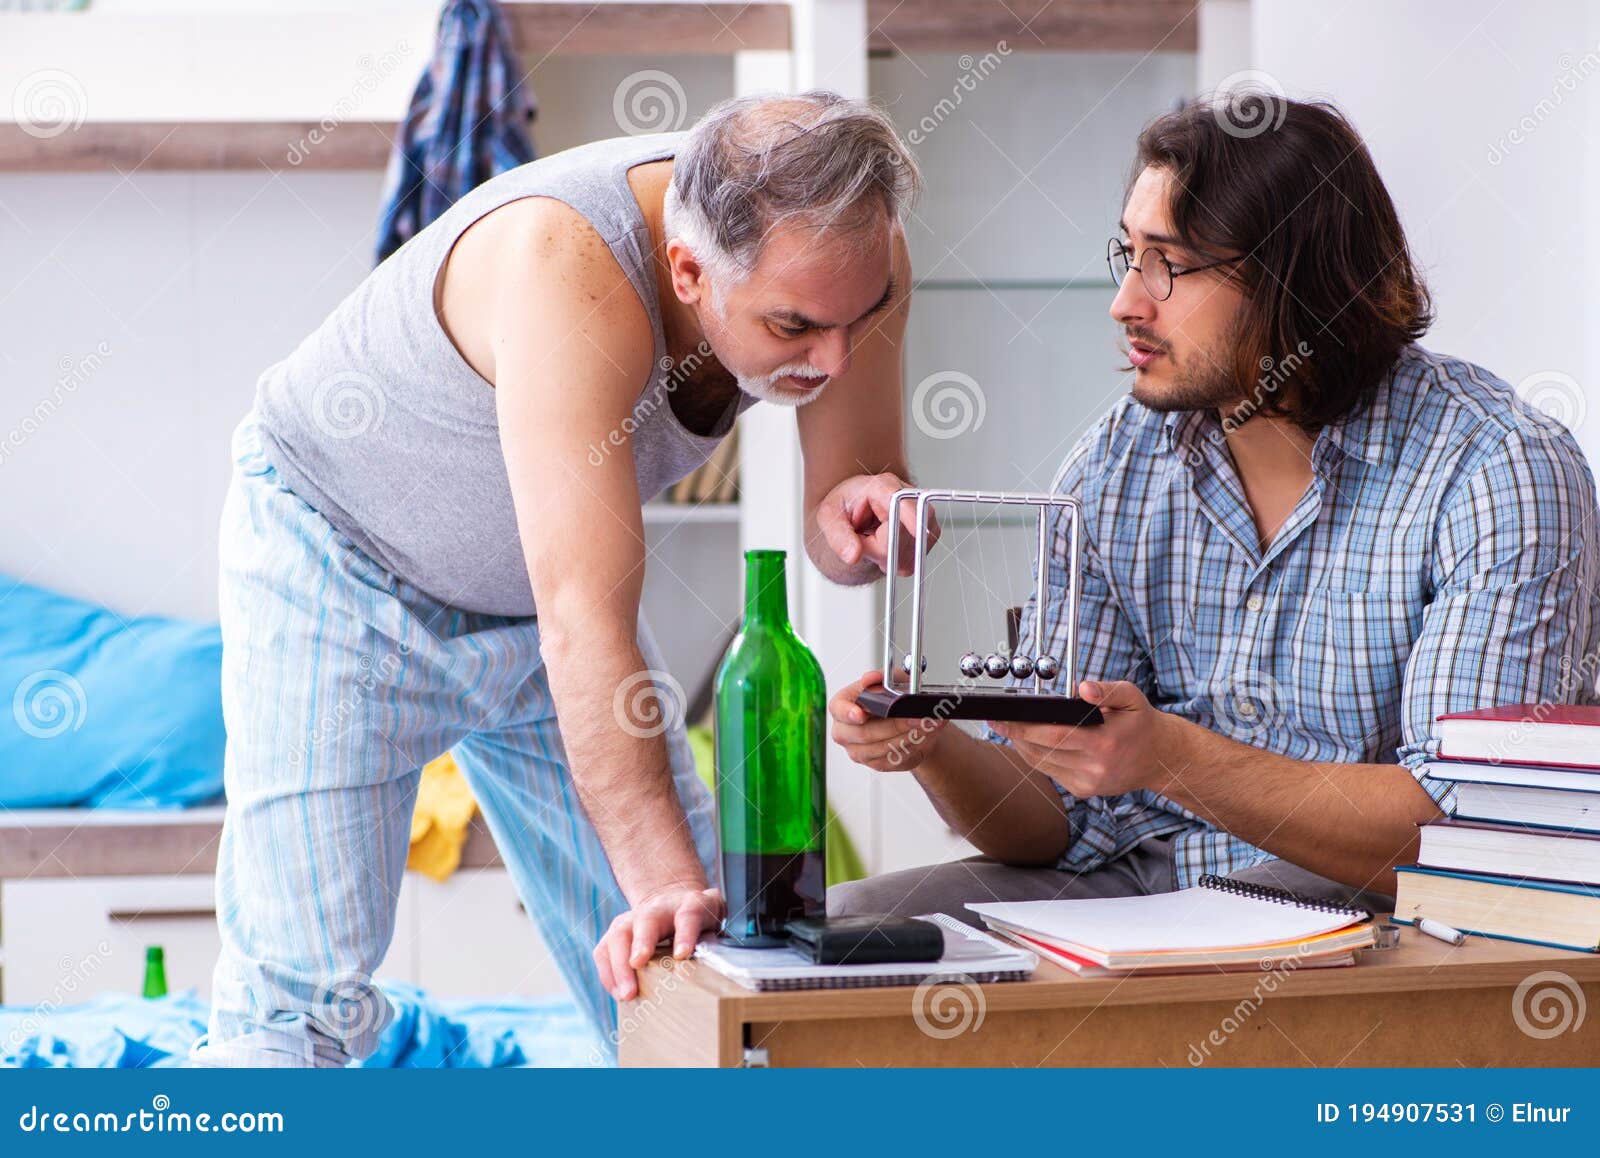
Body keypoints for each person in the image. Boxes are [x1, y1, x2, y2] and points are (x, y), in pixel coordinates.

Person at [193, 91, 929, 1066]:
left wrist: (862, 516)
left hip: (542, 603)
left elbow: (839, 525)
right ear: (687, 270)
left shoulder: (853, 264)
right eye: (793, 327)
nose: (835, 358)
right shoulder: (568, 265)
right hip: (341, 561)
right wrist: (663, 884)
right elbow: (585, 623)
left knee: (721, 988)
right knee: (299, 1018)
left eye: (857, 320)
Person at [828, 95, 1600, 925]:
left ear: (1290, 278)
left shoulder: (1496, 469)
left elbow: (1466, 830)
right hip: (1139, 881)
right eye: (1127, 254)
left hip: (1371, 905)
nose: (1126, 301)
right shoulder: (1118, 460)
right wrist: (933, 744)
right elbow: (1062, 821)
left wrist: (1169, 757)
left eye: (1169, 263)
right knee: (833, 939)